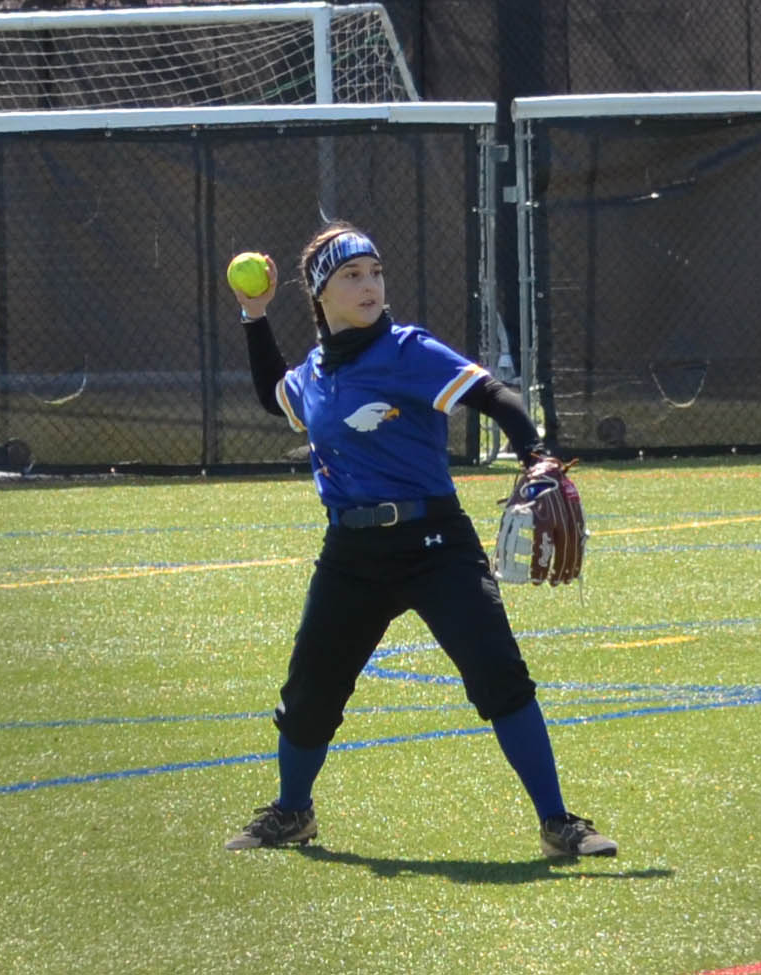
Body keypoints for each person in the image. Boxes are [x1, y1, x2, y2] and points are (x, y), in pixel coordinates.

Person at [224, 222, 616, 858]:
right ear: (321, 293)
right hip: (352, 554)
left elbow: (496, 395)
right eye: (351, 275)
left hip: (435, 541)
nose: (369, 284)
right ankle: (293, 811)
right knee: (309, 694)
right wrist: (254, 314)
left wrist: (535, 455)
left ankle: (559, 823)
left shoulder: (407, 350)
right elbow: (277, 398)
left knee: (500, 677)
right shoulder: (316, 372)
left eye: (375, 272)